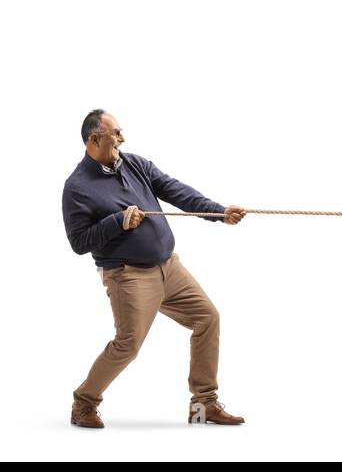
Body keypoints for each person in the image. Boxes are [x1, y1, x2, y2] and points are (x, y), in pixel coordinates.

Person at [63, 109, 249, 428]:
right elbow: (79, 242)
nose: (122, 138)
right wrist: (116, 222)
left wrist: (218, 212)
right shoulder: (77, 187)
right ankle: (84, 401)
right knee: (128, 344)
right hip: (128, 275)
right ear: (94, 139)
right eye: (115, 133)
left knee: (207, 317)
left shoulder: (135, 164)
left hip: (169, 267)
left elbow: (177, 191)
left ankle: (203, 404)